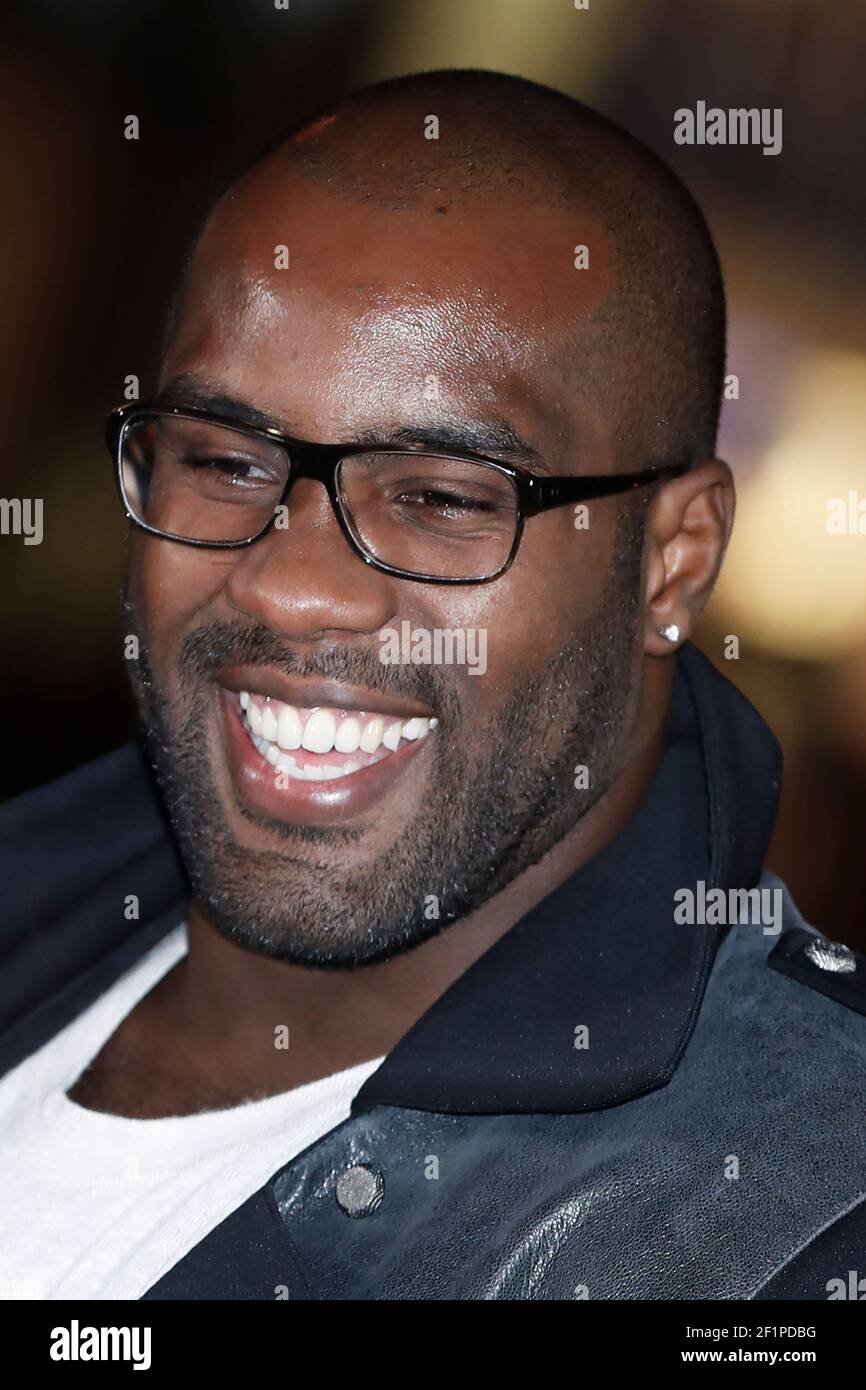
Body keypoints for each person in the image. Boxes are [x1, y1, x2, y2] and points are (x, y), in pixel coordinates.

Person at [1, 68, 863, 1302]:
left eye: (443, 498)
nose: (292, 589)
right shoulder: (45, 885)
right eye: (229, 461)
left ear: (671, 564)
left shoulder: (800, 1220)